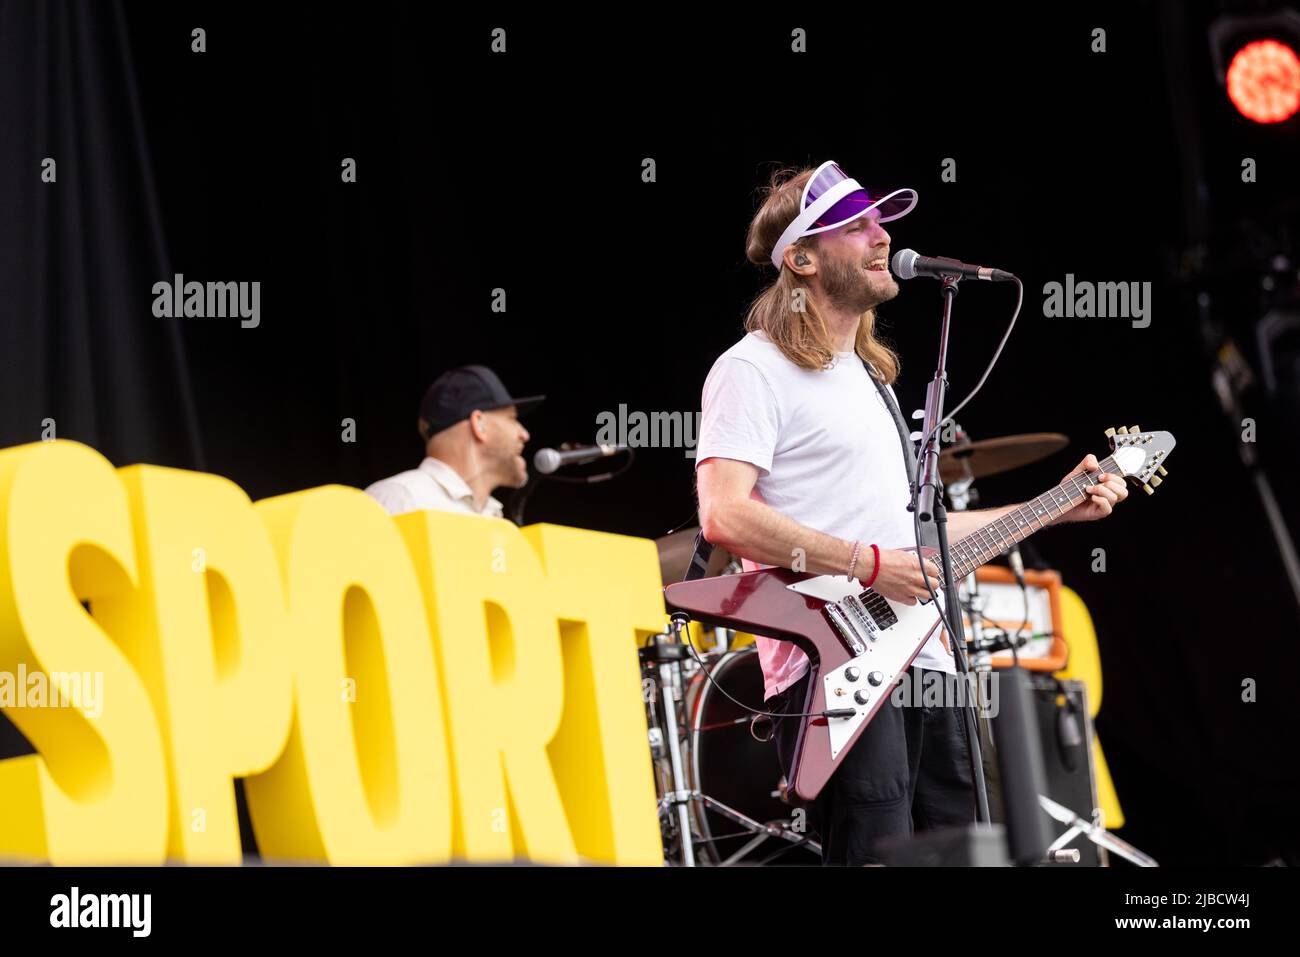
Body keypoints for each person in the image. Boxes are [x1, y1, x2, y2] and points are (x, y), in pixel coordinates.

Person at [693, 161, 1129, 865]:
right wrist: (868, 565)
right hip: (835, 671)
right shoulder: (752, 369)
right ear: (802, 259)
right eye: (856, 226)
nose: (882, 236)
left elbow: (918, 539)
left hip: (926, 659)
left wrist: (1049, 508)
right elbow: (724, 515)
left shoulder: (873, 381)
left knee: (963, 849)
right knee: (876, 850)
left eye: (881, 222)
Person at [365, 364, 543, 519]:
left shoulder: (495, 517)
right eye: (512, 418)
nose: (524, 434)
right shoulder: (400, 497)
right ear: (479, 424)